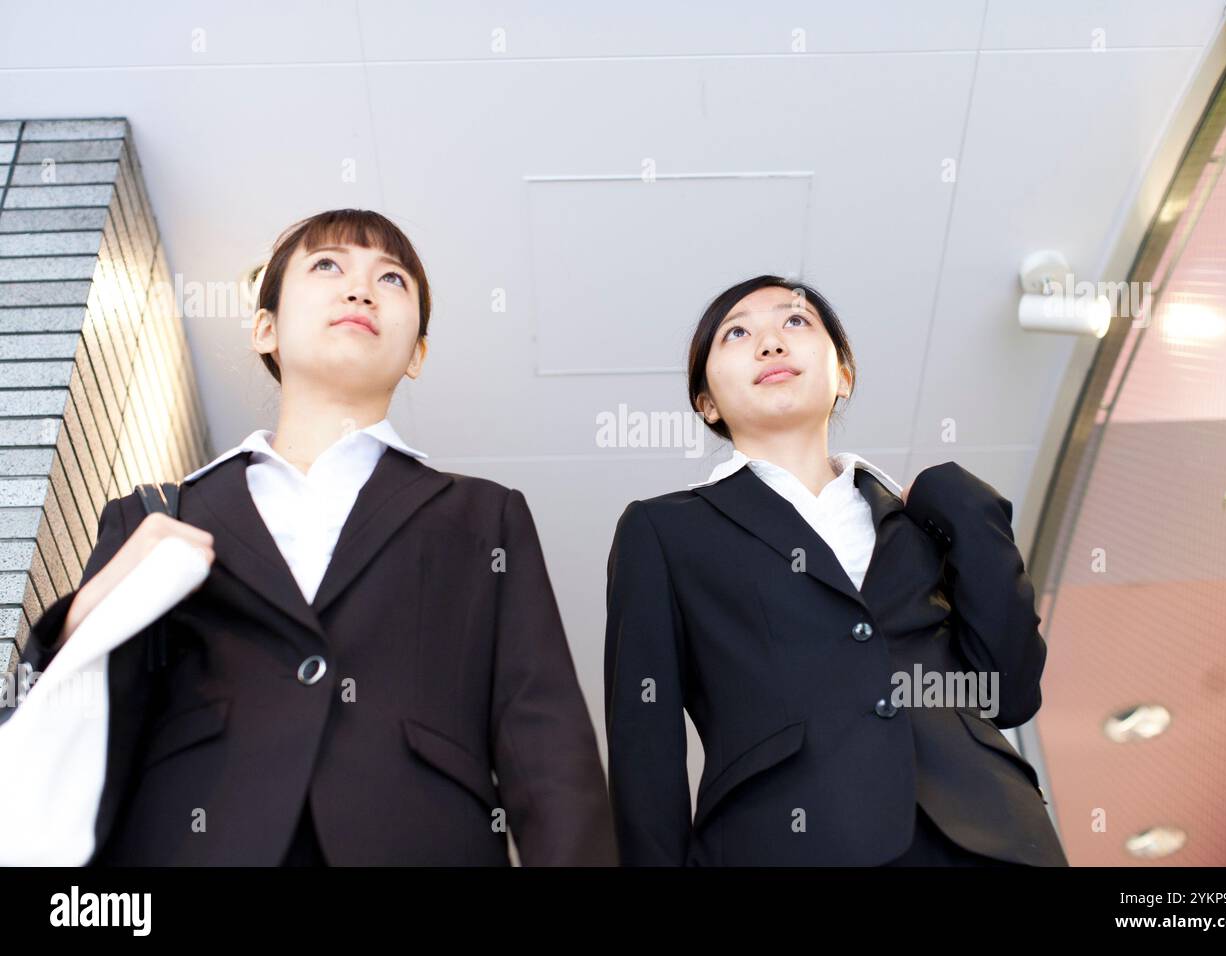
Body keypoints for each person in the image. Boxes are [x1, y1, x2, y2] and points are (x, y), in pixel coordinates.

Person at [16, 209, 617, 866]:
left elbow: (546, 739)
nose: (359, 288)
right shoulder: (160, 515)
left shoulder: (484, 516)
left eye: (392, 279)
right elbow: (84, 728)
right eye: (327, 265)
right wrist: (87, 612)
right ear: (265, 328)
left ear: (417, 353)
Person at [603, 275, 1069, 866]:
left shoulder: (922, 520)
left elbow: (1010, 691)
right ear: (707, 404)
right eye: (737, 333)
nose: (771, 343)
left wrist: (962, 503)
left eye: (795, 322)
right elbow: (644, 746)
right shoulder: (665, 530)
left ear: (843, 374)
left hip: (988, 838)